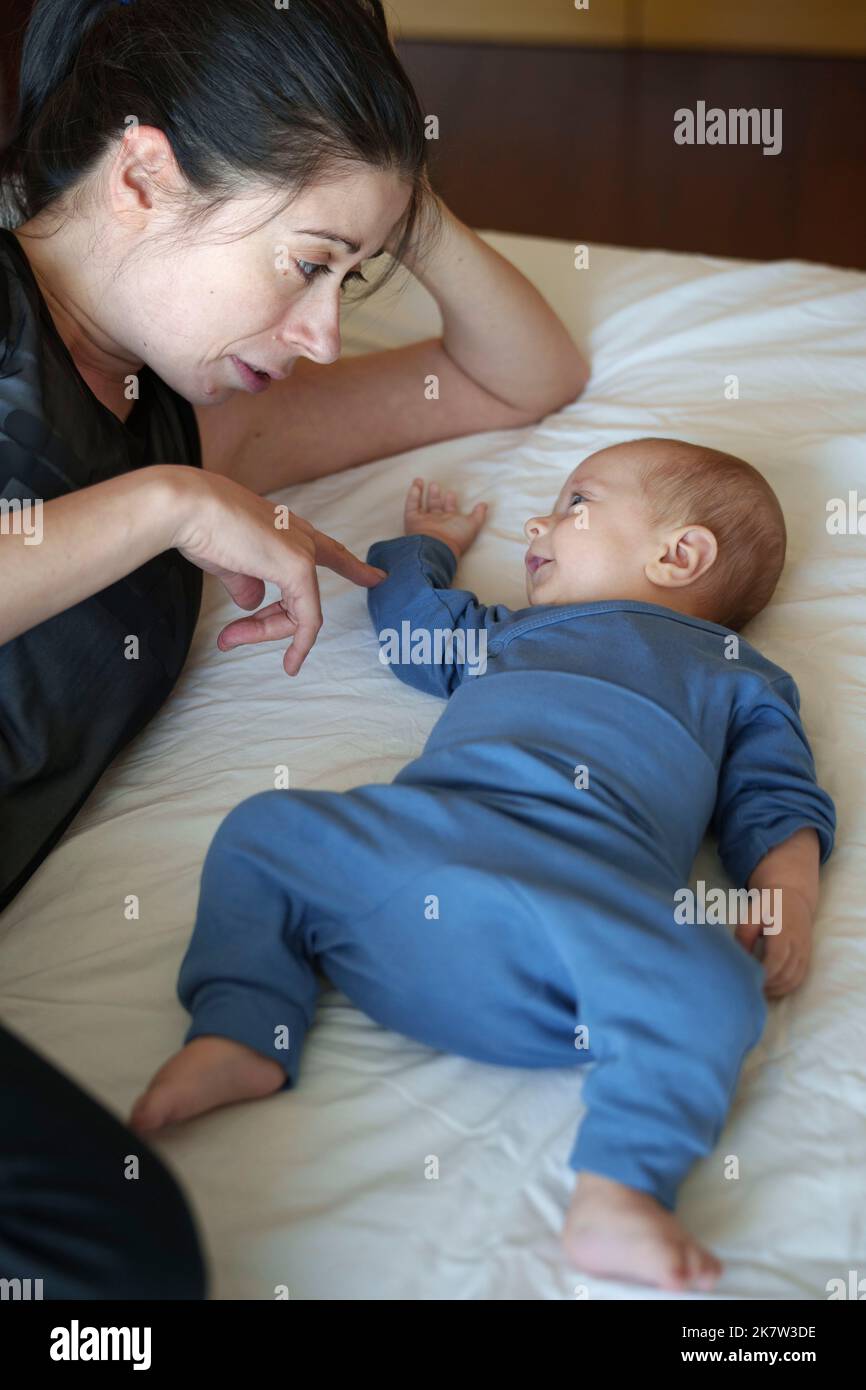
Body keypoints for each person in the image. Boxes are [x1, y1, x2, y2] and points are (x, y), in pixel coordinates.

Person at [0, 0, 587, 1298]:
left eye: (351, 279)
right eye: (304, 264)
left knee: (118, 1268)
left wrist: (392, 196)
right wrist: (167, 507)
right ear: (144, 176)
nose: (324, 331)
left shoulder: (183, 409)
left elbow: (518, 378)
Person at [132, 438, 834, 1293]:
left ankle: (620, 1188)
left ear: (679, 553)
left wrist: (786, 889)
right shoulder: (510, 632)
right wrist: (427, 546)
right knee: (265, 829)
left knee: (715, 984)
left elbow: (774, 791)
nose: (540, 520)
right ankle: (243, 1026)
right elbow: (412, 628)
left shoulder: (738, 680)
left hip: (579, 919)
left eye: (577, 503)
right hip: (421, 854)